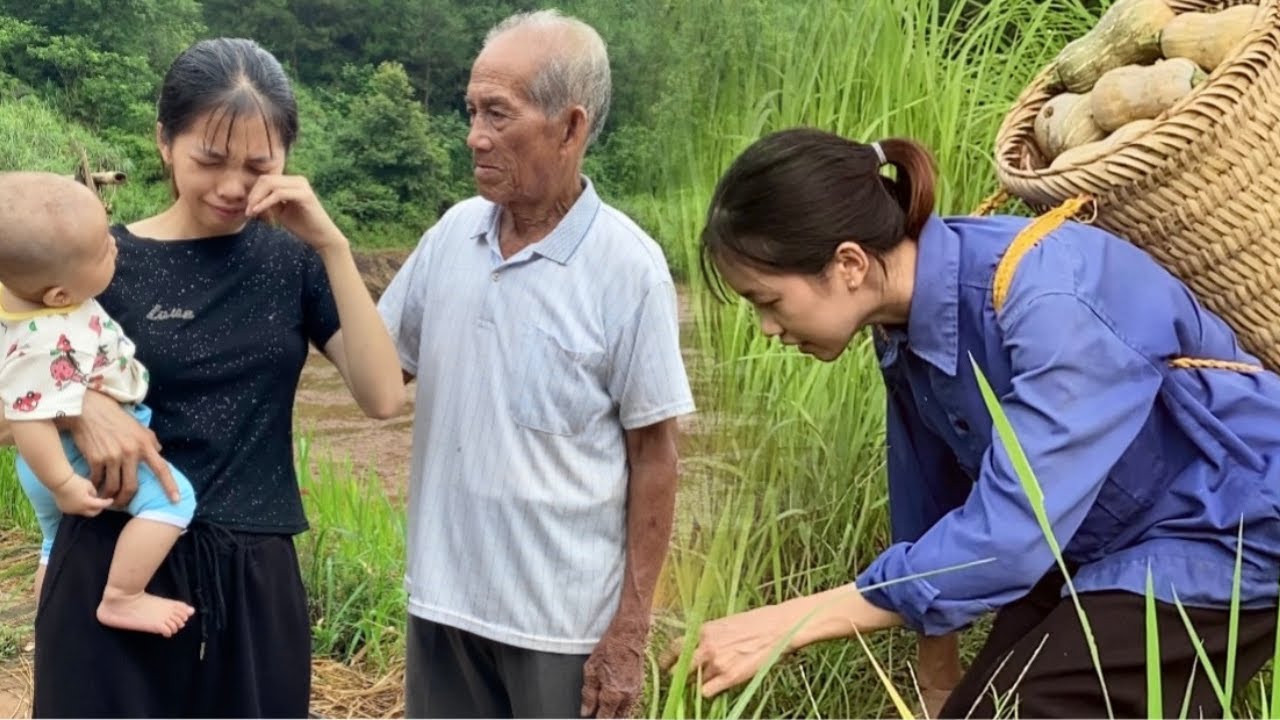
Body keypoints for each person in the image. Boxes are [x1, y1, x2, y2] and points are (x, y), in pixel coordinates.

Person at [669, 127, 1280, 718]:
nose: (767, 329)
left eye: (768, 301)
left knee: (1029, 709)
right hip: (1088, 537)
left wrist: (787, 624)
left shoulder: (1048, 301)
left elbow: (1010, 539)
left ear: (849, 264)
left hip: (1221, 527)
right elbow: (931, 510)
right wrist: (938, 685)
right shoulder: (902, 325)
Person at [0, 37, 405, 718]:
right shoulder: (93, 258)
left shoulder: (292, 264)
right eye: (210, 160)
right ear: (165, 141)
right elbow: (15, 389)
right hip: (110, 564)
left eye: (258, 164)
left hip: (253, 577)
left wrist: (333, 245)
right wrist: (78, 406)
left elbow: (383, 396)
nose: (233, 185)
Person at [378, 10, 695, 719]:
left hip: (562, 628)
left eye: (497, 113)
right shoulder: (452, 236)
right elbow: (375, 371)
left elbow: (656, 456)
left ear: (570, 127)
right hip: (442, 606)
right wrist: (310, 258)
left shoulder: (628, 268)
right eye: (471, 111)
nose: (474, 135)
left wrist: (630, 631)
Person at [0, 172, 198, 638]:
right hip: (64, 455)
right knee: (174, 503)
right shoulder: (49, 338)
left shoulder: (22, 299)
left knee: (54, 542)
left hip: (44, 461)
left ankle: (50, 623)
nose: (114, 246)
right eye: (100, 251)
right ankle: (123, 596)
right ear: (58, 294)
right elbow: (29, 416)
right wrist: (64, 482)